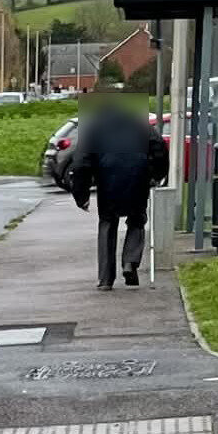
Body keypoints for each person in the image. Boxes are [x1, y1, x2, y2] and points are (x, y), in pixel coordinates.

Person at [68, 93, 169, 291]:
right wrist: (156, 174)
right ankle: (130, 261)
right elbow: (159, 147)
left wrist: (82, 196)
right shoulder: (137, 123)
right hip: (138, 176)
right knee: (137, 219)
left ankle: (105, 279)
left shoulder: (93, 128)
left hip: (107, 180)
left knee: (108, 222)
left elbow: (81, 163)